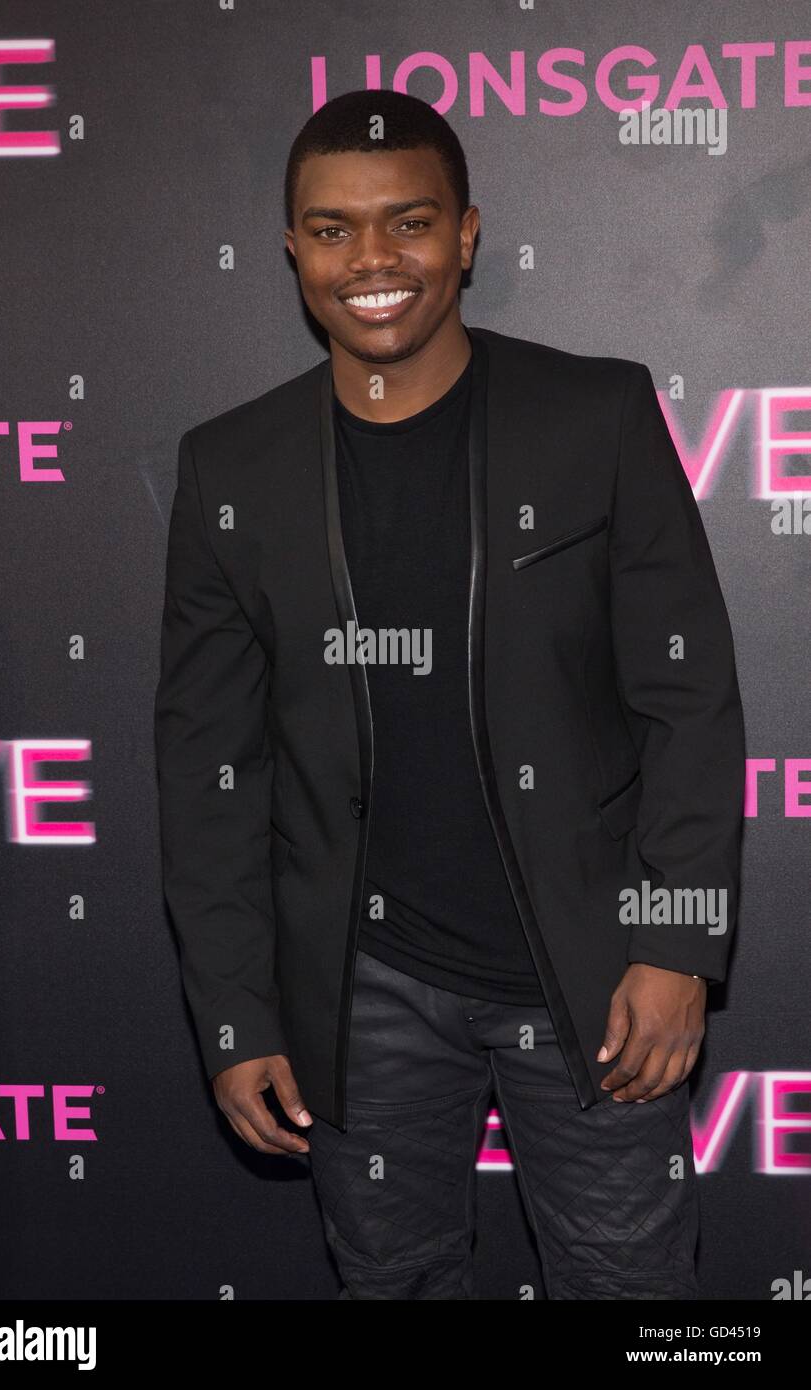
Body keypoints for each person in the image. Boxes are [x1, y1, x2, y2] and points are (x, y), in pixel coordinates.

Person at [154, 89, 746, 1300]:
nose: (371, 261)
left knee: (632, 1292)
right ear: (291, 248)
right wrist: (236, 1008)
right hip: (359, 990)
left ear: (465, 235)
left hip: (586, 980)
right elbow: (209, 766)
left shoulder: (596, 415)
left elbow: (687, 699)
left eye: (406, 222)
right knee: (392, 1285)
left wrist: (679, 940)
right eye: (331, 230)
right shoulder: (231, 465)